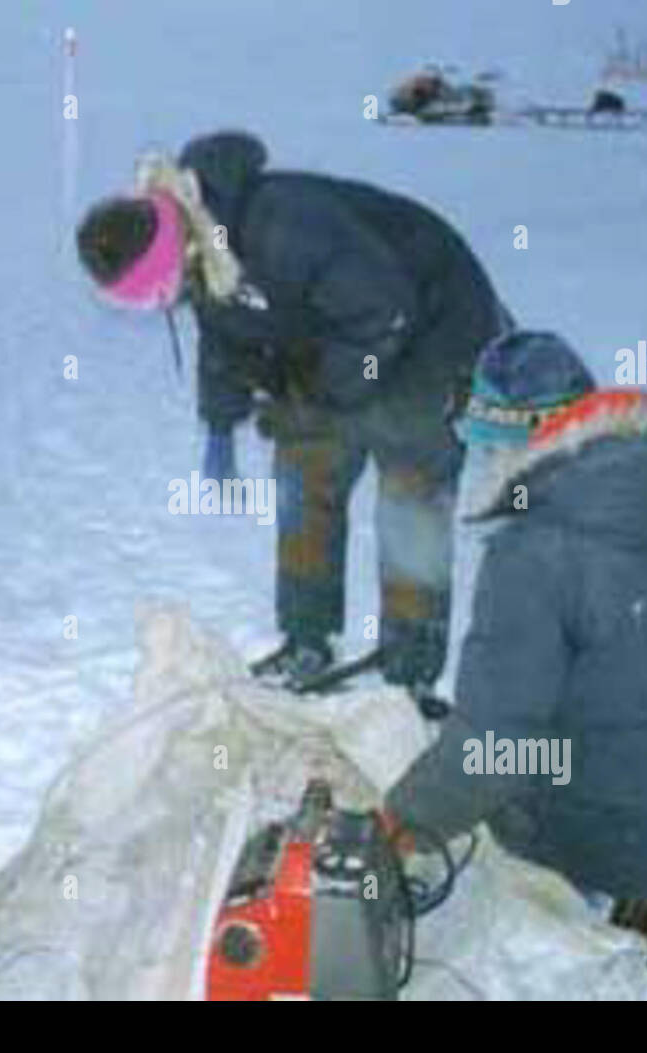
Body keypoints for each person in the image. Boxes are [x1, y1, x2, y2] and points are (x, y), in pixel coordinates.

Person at [384, 331, 647, 978]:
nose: (482, 462)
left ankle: (623, 896)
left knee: (508, 785)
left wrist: (403, 821)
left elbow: (495, 747)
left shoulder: (533, 552)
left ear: (520, 439)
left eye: (488, 445)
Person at [74, 131, 510, 702]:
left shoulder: (284, 226)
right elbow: (225, 338)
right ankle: (308, 638)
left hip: (430, 323)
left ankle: (410, 660)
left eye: (155, 292)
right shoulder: (204, 248)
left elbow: (387, 312)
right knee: (303, 469)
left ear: (173, 252)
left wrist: (329, 388)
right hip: (341, 336)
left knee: (411, 484)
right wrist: (220, 424)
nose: (161, 305)